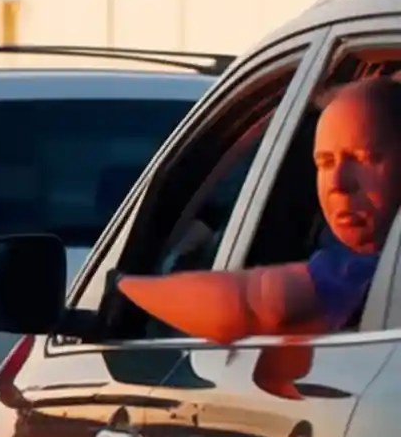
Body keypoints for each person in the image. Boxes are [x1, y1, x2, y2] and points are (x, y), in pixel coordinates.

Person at [116, 77, 401, 344]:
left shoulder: (365, 270)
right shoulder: (368, 259)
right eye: (325, 162)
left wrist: (125, 287)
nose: (338, 183)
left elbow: (259, 307)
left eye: (364, 159)